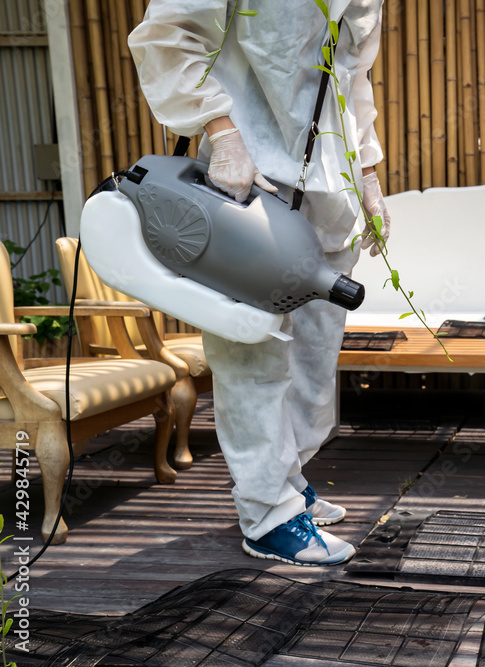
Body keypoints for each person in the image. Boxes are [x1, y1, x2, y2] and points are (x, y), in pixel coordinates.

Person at [128, 0, 389, 566]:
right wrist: (222, 134)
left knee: (316, 355)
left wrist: (367, 172)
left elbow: (352, 77)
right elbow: (167, 36)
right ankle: (267, 512)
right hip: (252, 178)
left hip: (330, 184)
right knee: (254, 352)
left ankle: (287, 485)